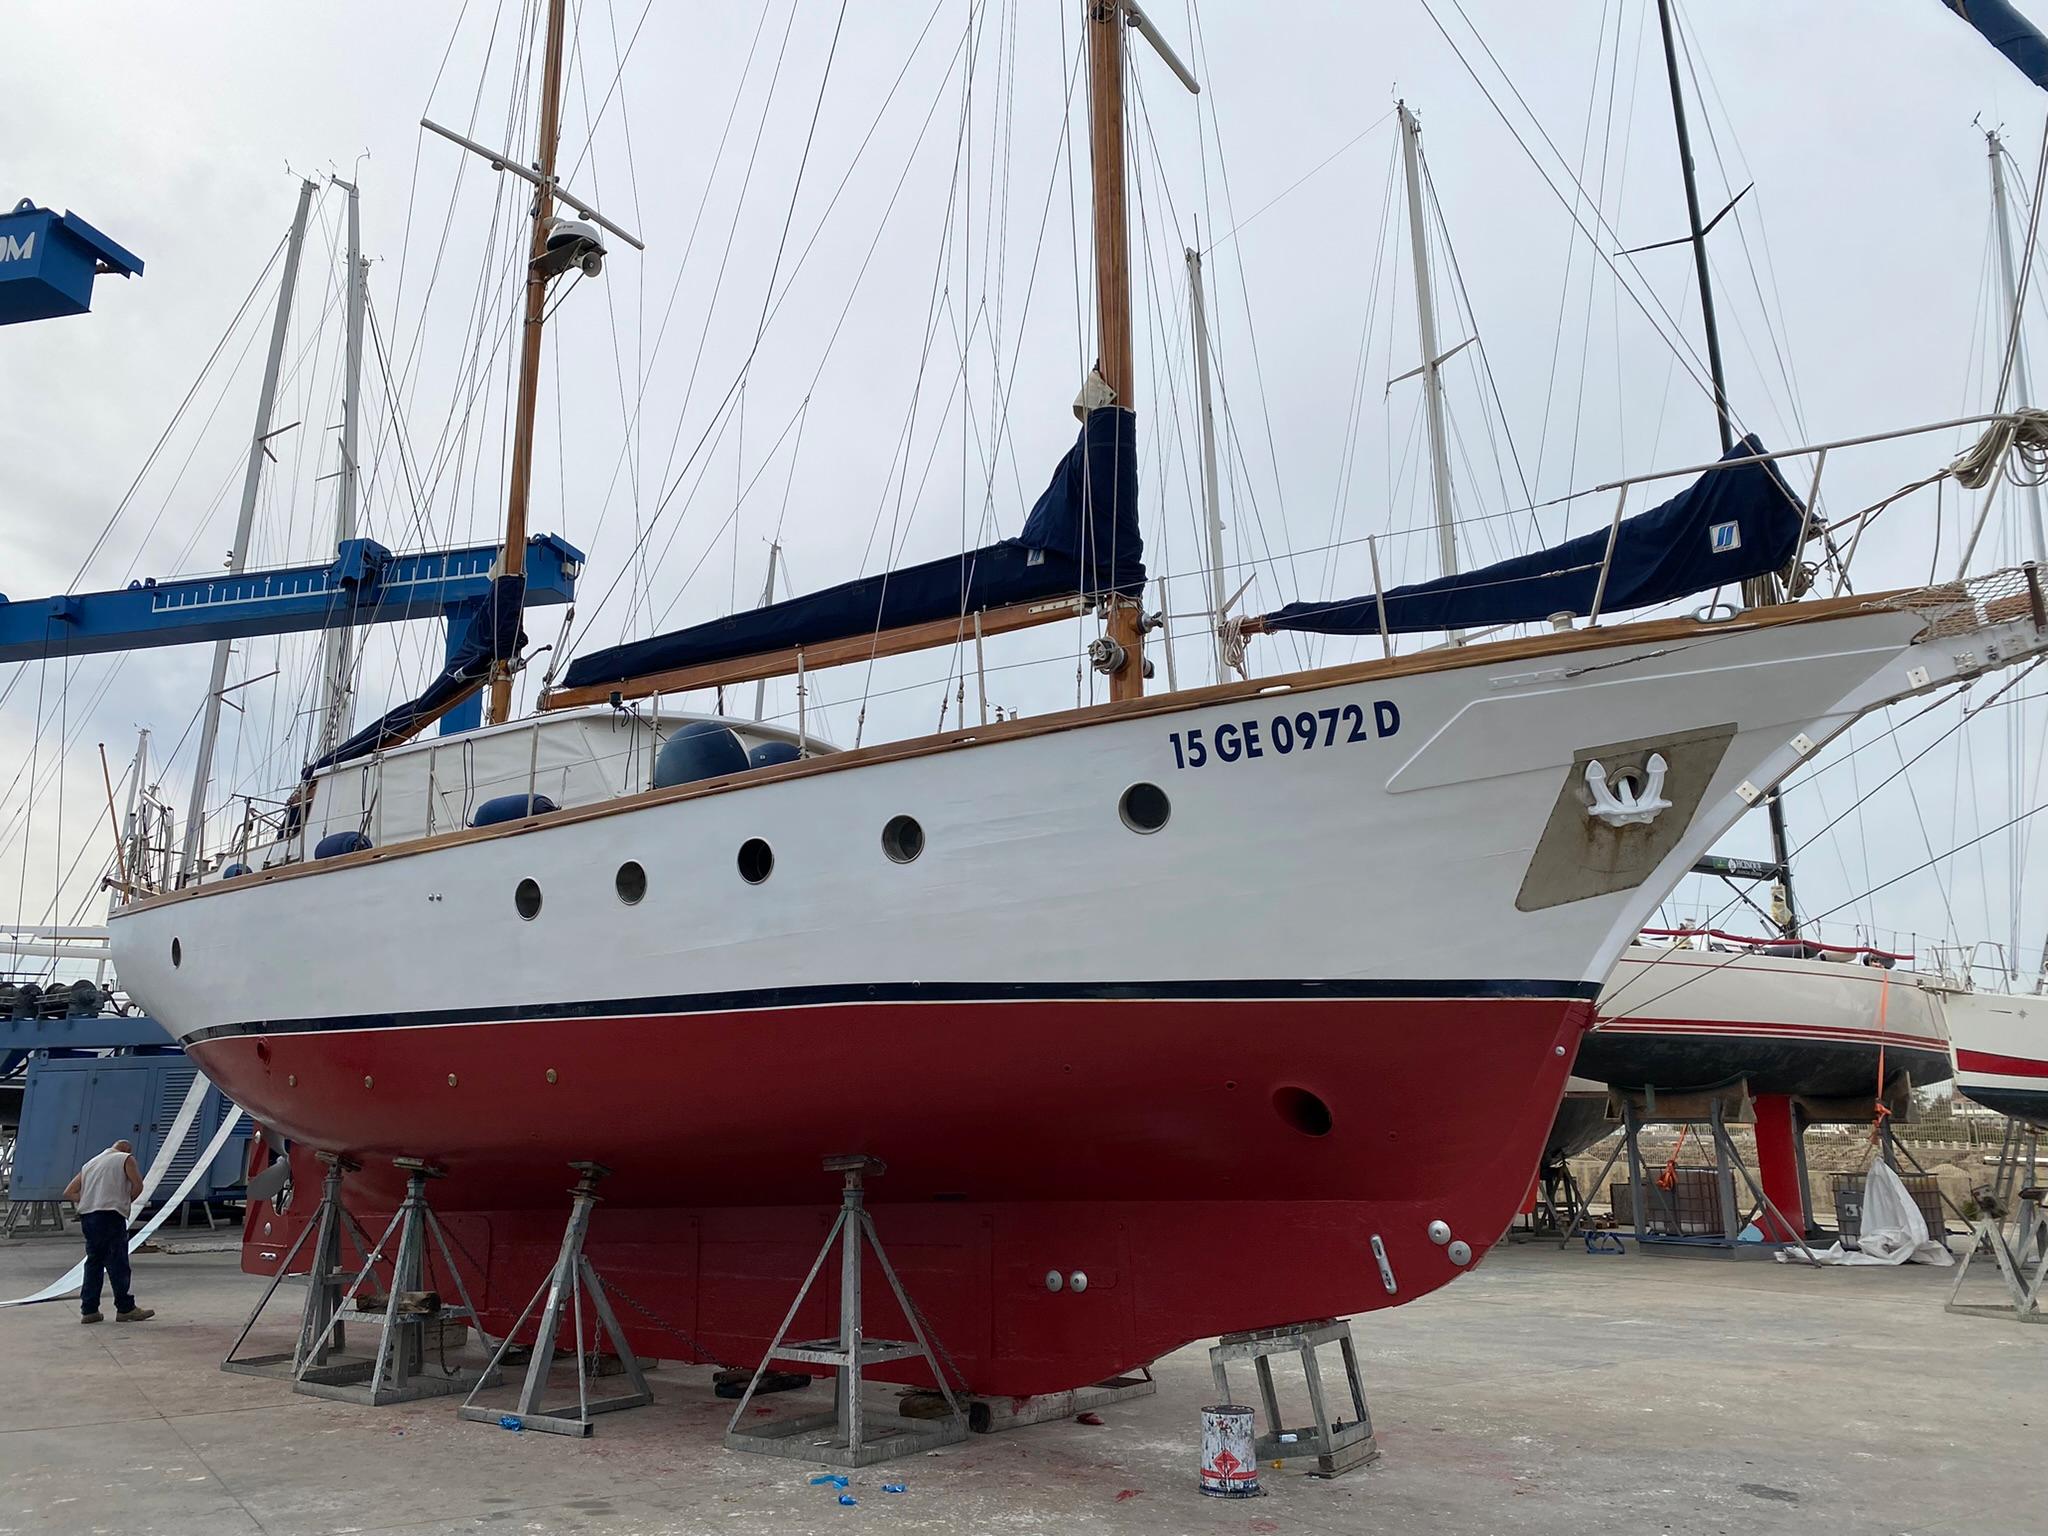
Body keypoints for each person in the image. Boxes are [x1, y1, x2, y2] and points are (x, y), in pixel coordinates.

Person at [61, 1140, 154, 1324]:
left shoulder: (90, 1164)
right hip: (111, 1215)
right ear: (127, 1149)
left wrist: (92, 1198)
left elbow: (69, 1192)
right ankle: (125, 1308)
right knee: (117, 1261)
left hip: (88, 1217)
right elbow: (138, 1186)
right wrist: (124, 1201)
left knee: (94, 1262)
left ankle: (89, 1310)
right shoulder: (125, 1158)